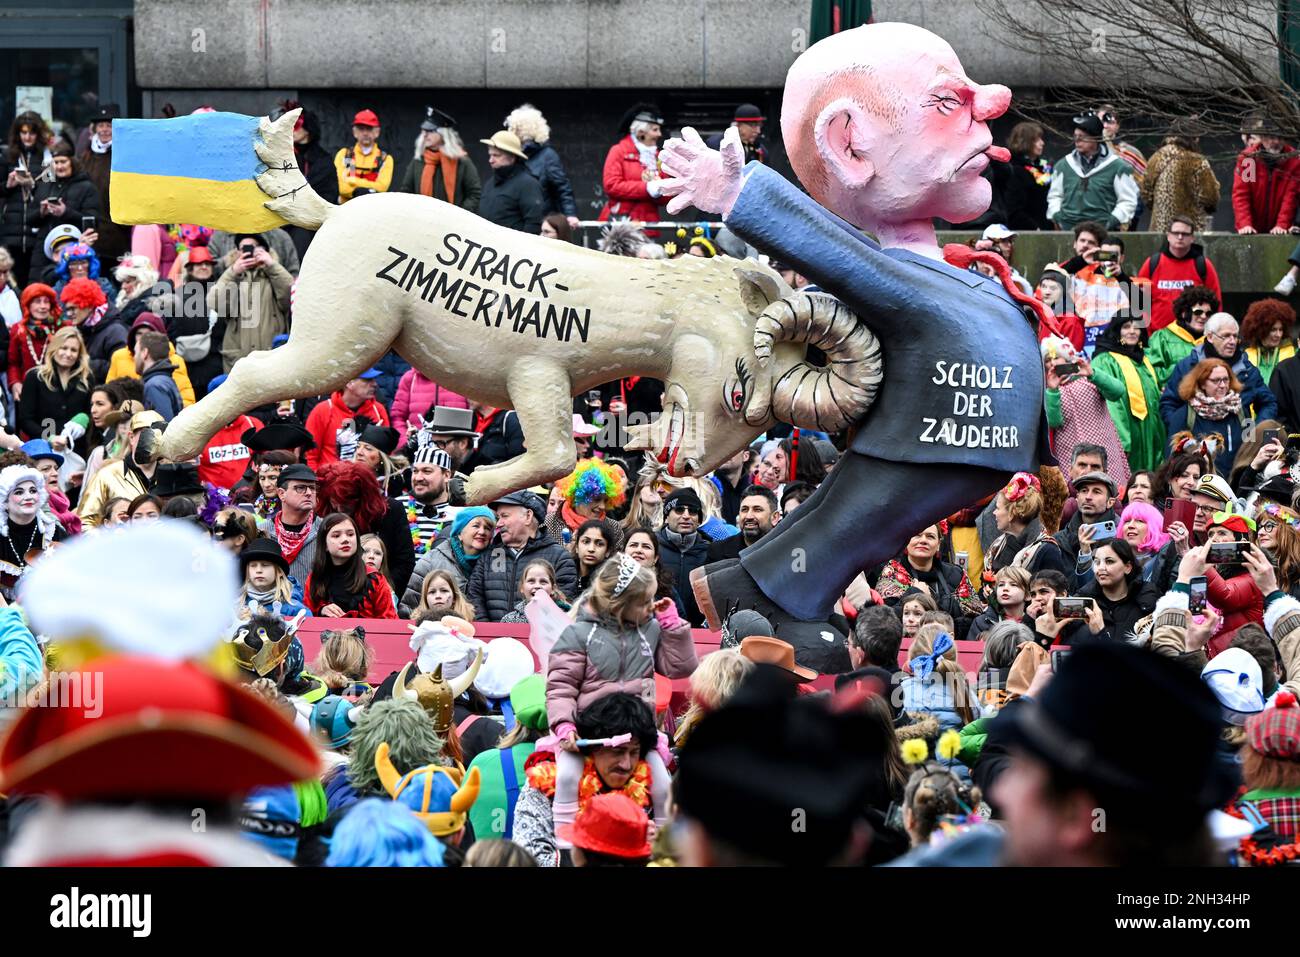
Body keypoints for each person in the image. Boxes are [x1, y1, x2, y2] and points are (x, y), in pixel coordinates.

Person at [513, 692, 661, 866]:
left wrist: (650, 850)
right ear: (592, 747)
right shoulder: (546, 785)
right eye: (618, 751)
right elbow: (529, 859)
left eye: (634, 752)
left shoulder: (650, 787)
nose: (626, 764)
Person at [467, 490, 577, 621]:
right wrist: (490, 634)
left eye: (505, 516)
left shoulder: (560, 557)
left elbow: (563, 605)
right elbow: (474, 598)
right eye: (498, 517)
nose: (499, 523)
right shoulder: (489, 556)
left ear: (528, 516)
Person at [1160, 312, 1277, 431]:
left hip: (1239, 445)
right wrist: (1183, 435)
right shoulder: (1188, 366)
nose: (1232, 342)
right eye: (1226, 336)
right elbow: (1169, 404)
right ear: (1210, 337)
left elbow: (1268, 403)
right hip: (1198, 444)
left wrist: (1254, 432)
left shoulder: (1247, 369)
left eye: (1235, 336)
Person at [316, 459, 416, 596]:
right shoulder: (325, 516)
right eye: (335, 503)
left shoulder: (391, 512)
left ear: (361, 498)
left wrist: (381, 592)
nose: (339, 510)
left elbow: (404, 563)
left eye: (345, 506)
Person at [1041, 340, 1130, 491]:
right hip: (1070, 454)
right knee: (1076, 496)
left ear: (1067, 359)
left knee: (1111, 491)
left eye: (1056, 358)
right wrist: (1052, 390)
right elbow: (1054, 422)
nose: (1052, 363)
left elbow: (1118, 391)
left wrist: (1092, 374)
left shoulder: (1089, 379)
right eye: (1048, 360)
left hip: (1103, 449)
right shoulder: (1048, 390)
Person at [875, 523, 986, 637]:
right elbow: (883, 619)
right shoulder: (892, 572)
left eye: (930, 536)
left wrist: (933, 601)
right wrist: (914, 593)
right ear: (907, 541)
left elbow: (974, 621)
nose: (923, 540)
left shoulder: (957, 574)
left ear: (938, 544)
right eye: (917, 535)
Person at [1088, 317, 1164, 472]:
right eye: (1126, 327)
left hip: (1150, 433)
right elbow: (1112, 404)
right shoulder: (1105, 360)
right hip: (1127, 432)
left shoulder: (1144, 360)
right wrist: (1122, 440)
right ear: (1117, 331)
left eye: (1137, 328)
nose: (1132, 331)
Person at [208, 232, 292, 372]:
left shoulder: (273, 275)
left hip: (272, 356)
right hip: (239, 358)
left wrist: (272, 265)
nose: (248, 252)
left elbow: (291, 295)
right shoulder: (234, 276)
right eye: (243, 249)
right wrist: (233, 272)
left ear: (264, 250)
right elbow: (214, 302)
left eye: (252, 247)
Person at [1047, 113, 1140, 232]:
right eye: (1075, 136)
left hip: (1103, 233)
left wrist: (1112, 221)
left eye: (1082, 136)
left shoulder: (1118, 167)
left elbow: (1128, 200)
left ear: (1096, 138)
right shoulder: (1063, 166)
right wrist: (1057, 216)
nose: (1077, 140)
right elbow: (1054, 196)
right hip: (1068, 231)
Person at [75, 408, 164, 527]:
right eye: (145, 434)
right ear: (131, 437)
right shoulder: (106, 476)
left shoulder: (172, 476)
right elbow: (84, 522)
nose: (153, 440)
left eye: (158, 434)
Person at [1134, 216, 1222, 334]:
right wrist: (1145, 332)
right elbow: (1138, 302)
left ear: (1192, 238)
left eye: (1185, 234)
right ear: (1168, 236)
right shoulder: (1152, 263)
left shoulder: (1203, 265)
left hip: (1193, 338)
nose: (1180, 237)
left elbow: (1216, 303)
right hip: (1156, 336)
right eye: (1176, 233)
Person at [304, 512, 398, 619]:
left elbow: (390, 623)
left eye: (350, 534)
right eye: (336, 535)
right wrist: (321, 610)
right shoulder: (314, 579)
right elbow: (305, 622)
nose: (345, 540)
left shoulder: (375, 579)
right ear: (325, 544)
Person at [1163, 358, 1247, 476]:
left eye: (1225, 380)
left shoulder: (1242, 412)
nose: (1222, 385)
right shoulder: (1183, 416)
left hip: (1237, 485)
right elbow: (1171, 458)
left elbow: (1251, 447)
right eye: (1216, 380)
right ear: (1202, 383)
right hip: (1200, 486)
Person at [402, 505, 495, 608]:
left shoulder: (496, 563)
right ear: (459, 532)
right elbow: (409, 608)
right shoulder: (430, 561)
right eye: (476, 526)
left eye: (487, 528)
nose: (482, 532)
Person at [597, 104, 669, 236]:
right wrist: (646, 188)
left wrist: (660, 190)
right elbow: (611, 185)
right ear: (641, 132)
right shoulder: (618, 151)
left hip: (647, 228)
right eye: (655, 130)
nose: (659, 134)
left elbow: (667, 198)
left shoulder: (658, 156)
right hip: (620, 227)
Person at [0, 112, 54, 286]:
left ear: (38, 134)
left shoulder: (48, 158)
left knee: (34, 284)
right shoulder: (8, 156)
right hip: (11, 230)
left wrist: (32, 185)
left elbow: (52, 191)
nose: (27, 137)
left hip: (37, 231)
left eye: (32, 132)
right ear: (18, 134)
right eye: (23, 132)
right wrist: (8, 186)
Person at [504, 104, 578, 227]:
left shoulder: (547, 156)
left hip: (541, 222)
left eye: (515, 128)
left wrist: (570, 215)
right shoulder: (514, 154)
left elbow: (562, 187)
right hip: (518, 219)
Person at [16, 325, 90, 449]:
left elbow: (89, 413)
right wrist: (48, 437)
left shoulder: (86, 379)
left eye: (73, 350)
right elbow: (25, 419)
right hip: (43, 450)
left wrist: (83, 420)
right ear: (54, 348)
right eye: (63, 348)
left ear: (79, 354)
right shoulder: (35, 377)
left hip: (76, 451)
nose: (68, 354)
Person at [1140, 121, 1220, 234]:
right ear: (1194, 137)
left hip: (1160, 230)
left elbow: (1145, 193)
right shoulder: (1197, 161)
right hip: (1189, 231)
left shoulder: (1156, 157)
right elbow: (1210, 197)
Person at [75, 104, 129, 268]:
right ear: (95, 129)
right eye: (101, 125)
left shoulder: (124, 154)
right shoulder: (85, 156)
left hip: (116, 231)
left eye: (109, 125)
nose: (105, 130)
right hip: (90, 231)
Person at [303, 369, 390, 470]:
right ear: (349, 383)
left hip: (368, 481)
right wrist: (318, 483)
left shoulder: (378, 410)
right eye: (368, 380)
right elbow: (310, 456)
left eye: (374, 380)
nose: (374, 384)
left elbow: (386, 453)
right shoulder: (323, 410)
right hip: (330, 482)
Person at [398, 107, 481, 212]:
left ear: (443, 134)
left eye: (431, 131)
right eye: (424, 130)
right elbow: (406, 192)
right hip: (423, 220)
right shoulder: (418, 161)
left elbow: (474, 194)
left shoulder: (461, 161)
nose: (425, 134)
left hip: (453, 223)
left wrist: (459, 215)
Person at [1075, 538, 1158, 642]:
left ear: (1127, 567)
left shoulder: (1149, 601)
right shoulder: (1083, 600)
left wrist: (1100, 634)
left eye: (1109, 561)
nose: (1101, 568)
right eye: (1096, 562)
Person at [656, 488, 716, 626]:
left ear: (699, 519)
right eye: (679, 510)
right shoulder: (652, 547)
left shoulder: (712, 551)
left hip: (701, 634)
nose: (686, 516)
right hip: (660, 629)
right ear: (666, 515)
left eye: (693, 511)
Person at [1233, 119, 1300, 235]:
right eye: (1272, 137)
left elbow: (1291, 197)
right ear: (1263, 137)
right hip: (1252, 225)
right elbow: (1242, 195)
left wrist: (1282, 225)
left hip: (1280, 229)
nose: (1277, 142)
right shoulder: (1249, 159)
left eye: (1281, 138)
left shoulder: (1293, 161)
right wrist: (1245, 224)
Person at [543, 458, 626, 548]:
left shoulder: (613, 528)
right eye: (597, 499)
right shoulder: (550, 523)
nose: (602, 506)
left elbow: (616, 560)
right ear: (579, 496)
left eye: (605, 501)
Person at [1147, 285, 1216, 387]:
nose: (1203, 317)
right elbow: (1151, 373)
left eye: (1208, 313)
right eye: (1198, 312)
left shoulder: (1215, 340)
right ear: (1184, 313)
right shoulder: (1161, 338)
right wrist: (1186, 366)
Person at [477, 131, 545, 234]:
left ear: (512, 157)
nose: (491, 160)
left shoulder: (528, 185)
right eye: (490, 155)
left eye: (497, 155)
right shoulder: (490, 183)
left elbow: (534, 223)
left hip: (511, 248)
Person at [238, 538, 310, 618]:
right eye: (253, 566)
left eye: (265, 565)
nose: (258, 570)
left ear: (279, 572)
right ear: (247, 571)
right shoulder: (236, 605)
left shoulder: (297, 610)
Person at [1000, 121, 1052, 230]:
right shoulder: (1015, 169)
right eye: (1036, 140)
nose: (1042, 143)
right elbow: (1013, 208)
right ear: (1025, 142)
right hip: (1027, 231)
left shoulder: (1042, 167)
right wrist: (1034, 227)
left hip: (1045, 227)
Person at [707, 484, 778, 562]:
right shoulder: (717, 551)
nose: (749, 516)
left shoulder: (786, 549)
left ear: (774, 517)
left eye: (757, 510)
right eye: (744, 510)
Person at [335, 109, 393, 203]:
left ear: (377, 132)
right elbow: (341, 187)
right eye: (361, 129)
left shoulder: (385, 159)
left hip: (372, 210)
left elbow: (382, 188)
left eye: (369, 129)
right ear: (355, 132)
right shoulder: (344, 154)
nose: (365, 133)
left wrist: (353, 181)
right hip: (346, 209)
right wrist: (368, 189)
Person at [1241, 297, 1297, 390]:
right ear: (1261, 330)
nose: (1278, 335)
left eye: (1281, 330)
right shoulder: (1246, 356)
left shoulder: (1293, 353)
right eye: (1273, 330)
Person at [500, 558, 569, 623]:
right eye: (531, 581)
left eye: (543, 581)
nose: (537, 586)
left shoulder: (566, 617)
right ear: (522, 588)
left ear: (553, 589)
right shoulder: (509, 620)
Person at [135, 330, 182, 423]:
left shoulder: (155, 386)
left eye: (136, 352)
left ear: (144, 353)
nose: (134, 357)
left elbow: (161, 428)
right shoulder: (162, 380)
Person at [1118, 500, 1170, 580]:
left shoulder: (1166, 561)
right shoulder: (1113, 558)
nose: (1130, 525)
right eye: (1127, 521)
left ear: (1155, 527)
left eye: (1139, 521)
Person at [569, 518, 614, 593]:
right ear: (577, 547)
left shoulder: (609, 582)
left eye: (599, 544)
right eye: (586, 542)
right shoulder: (565, 571)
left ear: (608, 551)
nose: (591, 549)